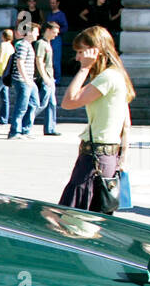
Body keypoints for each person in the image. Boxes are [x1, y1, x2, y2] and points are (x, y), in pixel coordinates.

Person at [58, 25, 135, 212]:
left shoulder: (107, 77)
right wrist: (123, 158)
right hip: (105, 157)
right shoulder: (115, 75)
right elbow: (127, 123)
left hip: (95, 158)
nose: (77, 57)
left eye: (80, 52)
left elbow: (68, 102)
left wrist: (84, 70)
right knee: (93, 218)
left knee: (73, 218)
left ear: (95, 51)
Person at [5, 22, 39, 138]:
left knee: (34, 103)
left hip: (28, 80)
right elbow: (20, 62)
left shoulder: (28, 45)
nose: (37, 35)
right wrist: (26, 79)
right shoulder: (23, 45)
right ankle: (15, 131)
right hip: (22, 80)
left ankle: (25, 129)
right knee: (21, 106)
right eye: (35, 32)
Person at [34, 20, 61, 135]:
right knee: (42, 104)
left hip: (50, 77)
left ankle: (50, 128)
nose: (56, 34)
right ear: (48, 30)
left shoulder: (48, 43)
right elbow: (39, 61)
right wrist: (45, 77)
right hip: (46, 78)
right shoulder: (41, 43)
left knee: (51, 103)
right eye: (54, 32)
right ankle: (25, 123)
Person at [45, 0, 69, 81]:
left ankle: (57, 79)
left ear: (58, 3)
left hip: (56, 38)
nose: (52, 5)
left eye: (54, 3)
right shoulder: (49, 14)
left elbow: (65, 27)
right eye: (51, 3)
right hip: (48, 38)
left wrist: (56, 32)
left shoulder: (61, 15)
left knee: (55, 59)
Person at [0, 27, 15, 124]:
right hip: (7, 73)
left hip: (0, 71)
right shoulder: (12, 47)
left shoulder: (3, 45)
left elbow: (1, 59)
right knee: (5, 98)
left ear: (3, 36)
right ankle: (4, 118)